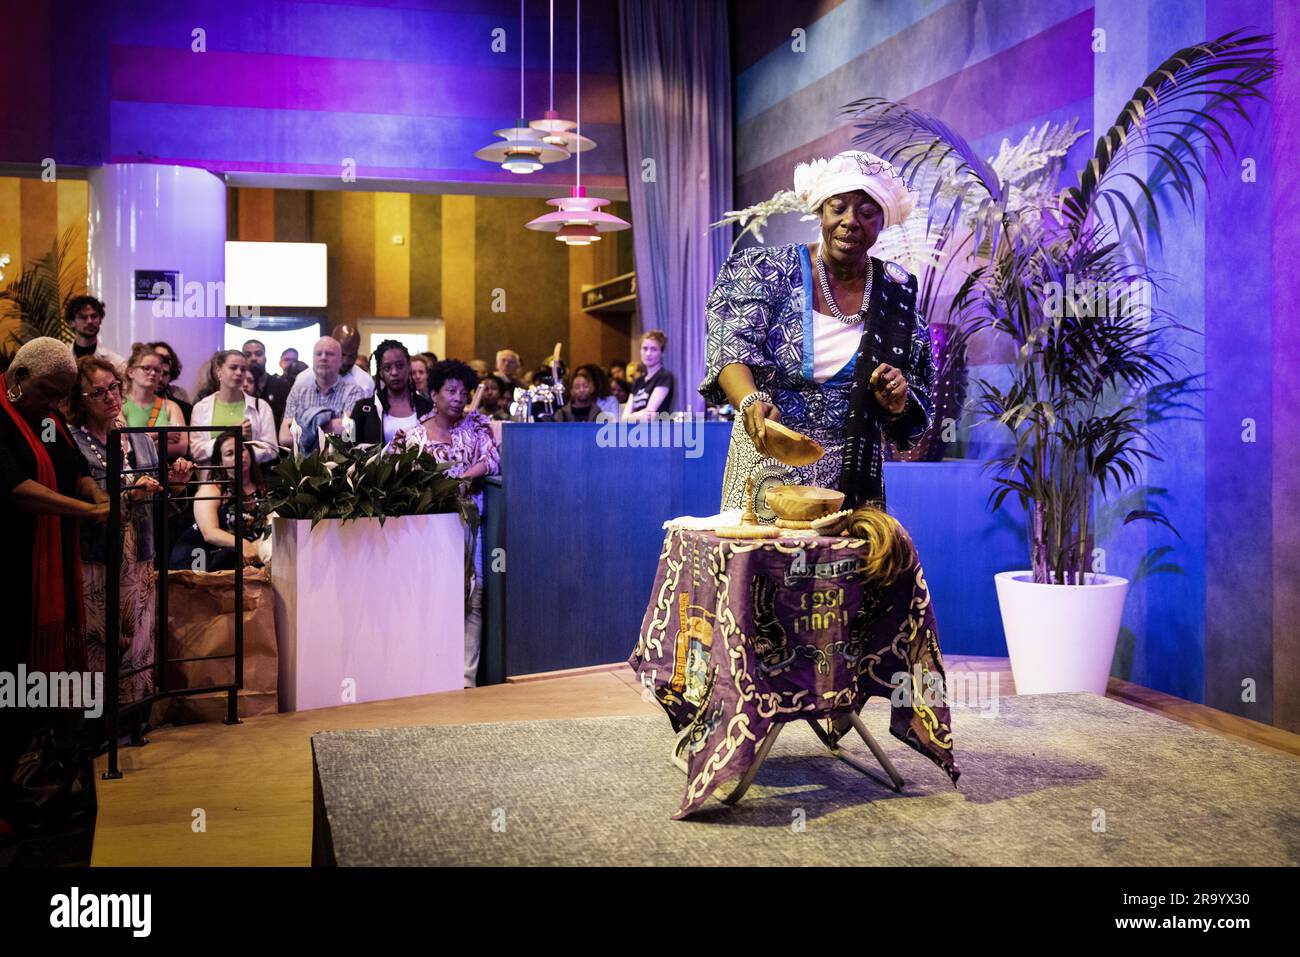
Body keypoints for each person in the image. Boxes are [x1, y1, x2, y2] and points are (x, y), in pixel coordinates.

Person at [702, 149, 934, 513]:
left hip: (850, 475)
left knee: (843, 552)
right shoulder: (767, 271)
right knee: (764, 550)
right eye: (838, 208)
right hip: (767, 459)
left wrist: (898, 400)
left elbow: (916, 408)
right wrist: (749, 400)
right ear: (820, 212)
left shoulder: (895, 296)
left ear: (882, 222)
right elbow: (730, 346)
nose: (850, 221)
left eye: (867, 212)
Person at [0, 339, 109, 830]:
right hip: (10, 568)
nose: (53, 403)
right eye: (47, 392)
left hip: (44, 566)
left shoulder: (45, 416)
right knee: (10, 679)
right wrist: (86, 511)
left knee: (29, 687)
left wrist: (95, 493)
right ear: (18, 375)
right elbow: (15, 488)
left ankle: (15, 788)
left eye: (61, 395)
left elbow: (73, 467)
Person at [68, 357, 195, 703]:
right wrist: (129, 495)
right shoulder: (72, 442)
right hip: (97, 557)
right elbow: (81, 502)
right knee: (99, 639)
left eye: (113, 387)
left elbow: (161, 502)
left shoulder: (139, 440)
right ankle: (95, 718)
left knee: (137, 640)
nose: (110, 396)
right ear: (79, 400)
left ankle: (135, 714)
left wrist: (176, 484)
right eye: (98, 392)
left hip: (140, 553)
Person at [421, 360, 500, 688]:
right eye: (450, 391)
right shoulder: (414, 435)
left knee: (474, 593)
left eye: (462, 392)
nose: (458, 398)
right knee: (436, 595)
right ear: (434, 394)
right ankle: (432, 674)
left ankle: (467, 679)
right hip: (430, 527)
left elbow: (492, 459)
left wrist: (464, 477)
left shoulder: (476, 426)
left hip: (471, 521)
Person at [169, 430, 267, 571]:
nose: (238, 456)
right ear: (220, 462)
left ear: (250, 452)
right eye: (229, 453)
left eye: (241, 450)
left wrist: (257, 547)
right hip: (201, 557)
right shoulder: (212, 488)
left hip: (247, 557)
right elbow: (209, 533)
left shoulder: (265, 488)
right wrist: (244, 544)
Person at [190, 350, 278, 464]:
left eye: (243, 369)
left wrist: (240, 455)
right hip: (213, 474)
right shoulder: (201, 407)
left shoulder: (261, 406)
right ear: (219, 371)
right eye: (233, 368)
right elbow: (196, 451)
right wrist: (230, 435)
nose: (239, 373)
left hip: (249, 474)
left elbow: (271, 449)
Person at [279, 337, 368, 449]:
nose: (323, 357)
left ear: (341, 360)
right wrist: (331, 424)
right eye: (318, 354)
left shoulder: (354, 392)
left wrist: (303, 424)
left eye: (329, 354)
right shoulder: (297, 392)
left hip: (340, 460)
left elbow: (349, 432)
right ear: (313, 359)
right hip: (302, 461)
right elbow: (284, 437)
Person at [350, 339, 433, 446]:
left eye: (400, 366)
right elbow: (349, 447)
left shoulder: (427, 407)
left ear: (409, 366)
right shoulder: (364, 409)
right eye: (387, 368)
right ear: (380, 372)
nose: (394, 372)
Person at [122, 343, 188, 461]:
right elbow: (124, 444)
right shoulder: (120, 405)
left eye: (157, 370)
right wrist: (161, 435)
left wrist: (141, 444)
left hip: (163, 469)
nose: (152, 373)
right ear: (131, 372)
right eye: (146, 368)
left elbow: (181, 447)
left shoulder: (171, 406)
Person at [241, 339, 291, 431]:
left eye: (258, 354)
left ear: (265, 358)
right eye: (248, 355)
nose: (253, 358)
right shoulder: (237, 388)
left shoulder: (282, 386)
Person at [626, 330, 675, 420]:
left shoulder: (664, 376)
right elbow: (624, 417)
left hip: (657, 428)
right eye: (645, 348)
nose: (648, 353)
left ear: (662, 353)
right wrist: (635, 416)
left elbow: (648, 415)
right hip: (636, 428)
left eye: (653, 349)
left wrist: (630, 417)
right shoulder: (638, 381)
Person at [66, 296, 124, 370]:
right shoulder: (63, 359)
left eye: (94, 316)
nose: (90, 321)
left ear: (100, 320)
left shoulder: (115, 363)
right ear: (71, 323)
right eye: (83, 317)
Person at [149, 341, 192, 418]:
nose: (160, 378)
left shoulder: (182, 406)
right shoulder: (130, 403)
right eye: (157, 371)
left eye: (165, 374)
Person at [330, 325, 375, 396]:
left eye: (351, 356)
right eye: (342, 354)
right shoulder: (312, 378)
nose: (346, 361)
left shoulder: (366, 382)